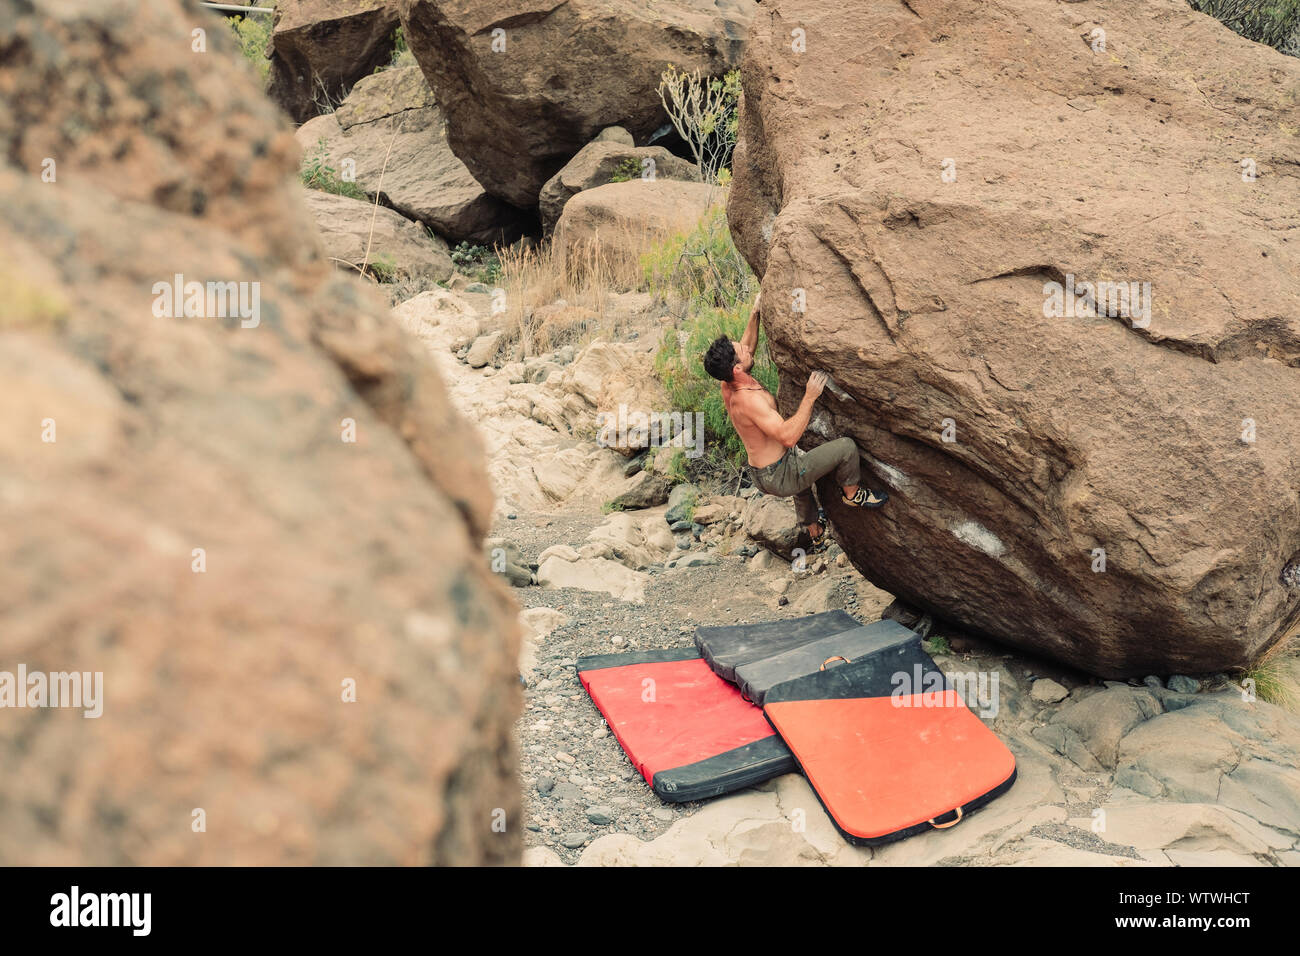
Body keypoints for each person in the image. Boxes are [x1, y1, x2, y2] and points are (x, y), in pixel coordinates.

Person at [702, 295, 886, 550]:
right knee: (845, 448)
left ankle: (814, 530)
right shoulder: (749, 402)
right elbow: (788, 437)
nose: (745, 348)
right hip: (778, 475)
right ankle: (853, 494)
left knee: (798, 472)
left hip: (763, 472)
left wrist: (755, 313)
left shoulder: (728, 383)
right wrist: (809, 396)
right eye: (740, 351)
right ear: (737, 370)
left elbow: (749, 346)